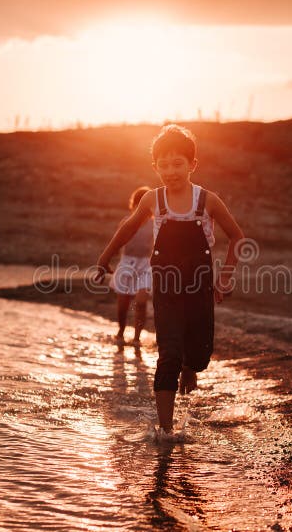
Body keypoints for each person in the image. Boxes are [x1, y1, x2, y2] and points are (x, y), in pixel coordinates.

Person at [95, 124, 244, 438]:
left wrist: (225, 278)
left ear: (192, 165)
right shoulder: (153, 200)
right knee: (169, 354)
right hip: (165, 285)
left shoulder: (207, 201)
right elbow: (127, 228)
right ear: (155, 167)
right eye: (163, 164)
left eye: (178, 163)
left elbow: (237, 237)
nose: (170, 171)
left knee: (200, 353)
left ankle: (191, 369)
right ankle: (165, 431)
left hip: (200, 284)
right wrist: (105, 258)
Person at [109, 186, 153, 347]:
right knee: (123, 303)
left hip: (145, 265)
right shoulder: (126, 221)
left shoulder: (155, 224)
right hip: (127, 263)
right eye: (138, 205)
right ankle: (120, 331)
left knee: (141, 302)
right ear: (133, 205)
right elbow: (118, 241)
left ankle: (136, 337)